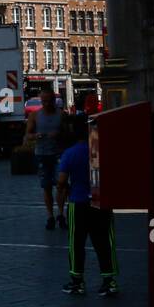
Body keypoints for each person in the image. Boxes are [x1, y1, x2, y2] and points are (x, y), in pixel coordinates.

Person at [57, 114, 118, 296]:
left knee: (76, 243)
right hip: (101, 201)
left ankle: (77, 281)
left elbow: (61, 181)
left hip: (78, 202)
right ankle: (109, 281)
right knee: (104, 242)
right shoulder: (101, 149)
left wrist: (64, 192)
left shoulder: (69, 153)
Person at [26, 85, 65, 230]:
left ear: (54, 100)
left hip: (58, 154)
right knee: (46, 186)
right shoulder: (34, 116)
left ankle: (61, 213)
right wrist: (36, 135)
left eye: (49, 101)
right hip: (42, 154)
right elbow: (28, 135)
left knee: (61, 185)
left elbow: (68, 133)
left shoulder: (61, 115)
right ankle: (50, 216)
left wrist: (59, 134)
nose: (46, 104)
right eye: (44, 101)